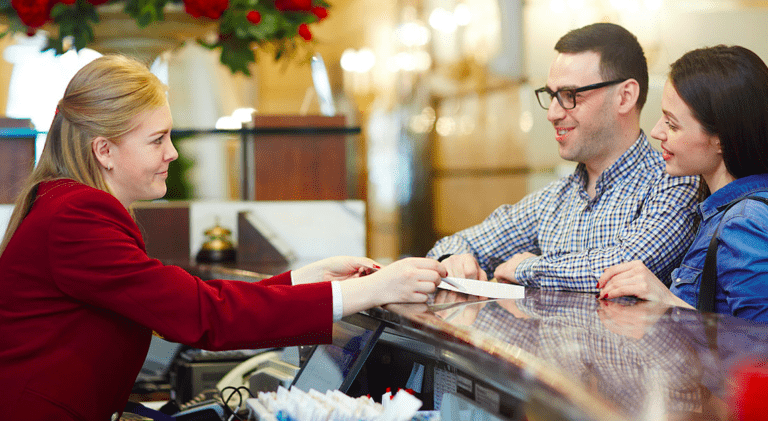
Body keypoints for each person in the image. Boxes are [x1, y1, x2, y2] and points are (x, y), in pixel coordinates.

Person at [0, 55, 446, 421]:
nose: (172, 152)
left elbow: (192, 302)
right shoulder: (77, 215)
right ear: (105, 151)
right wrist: (368, 290)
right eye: (157, 140)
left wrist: (306, 280)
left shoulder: (66, 201)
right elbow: (204, 314)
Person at [427, 22, 700, 291]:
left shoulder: (674, 182)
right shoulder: (554, 199)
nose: (552, 113)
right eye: (551, 95)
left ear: (625, 96)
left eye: (570, 95)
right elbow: (456, 244)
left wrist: (527, 268)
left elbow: (624, 267)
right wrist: (453, 260)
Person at [597, 45, 768, 323]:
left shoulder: (744, 223)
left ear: (721, 139)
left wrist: (668, 303)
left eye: (672, 125)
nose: (656, 132)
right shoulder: (724, 212)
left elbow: (759, 351)